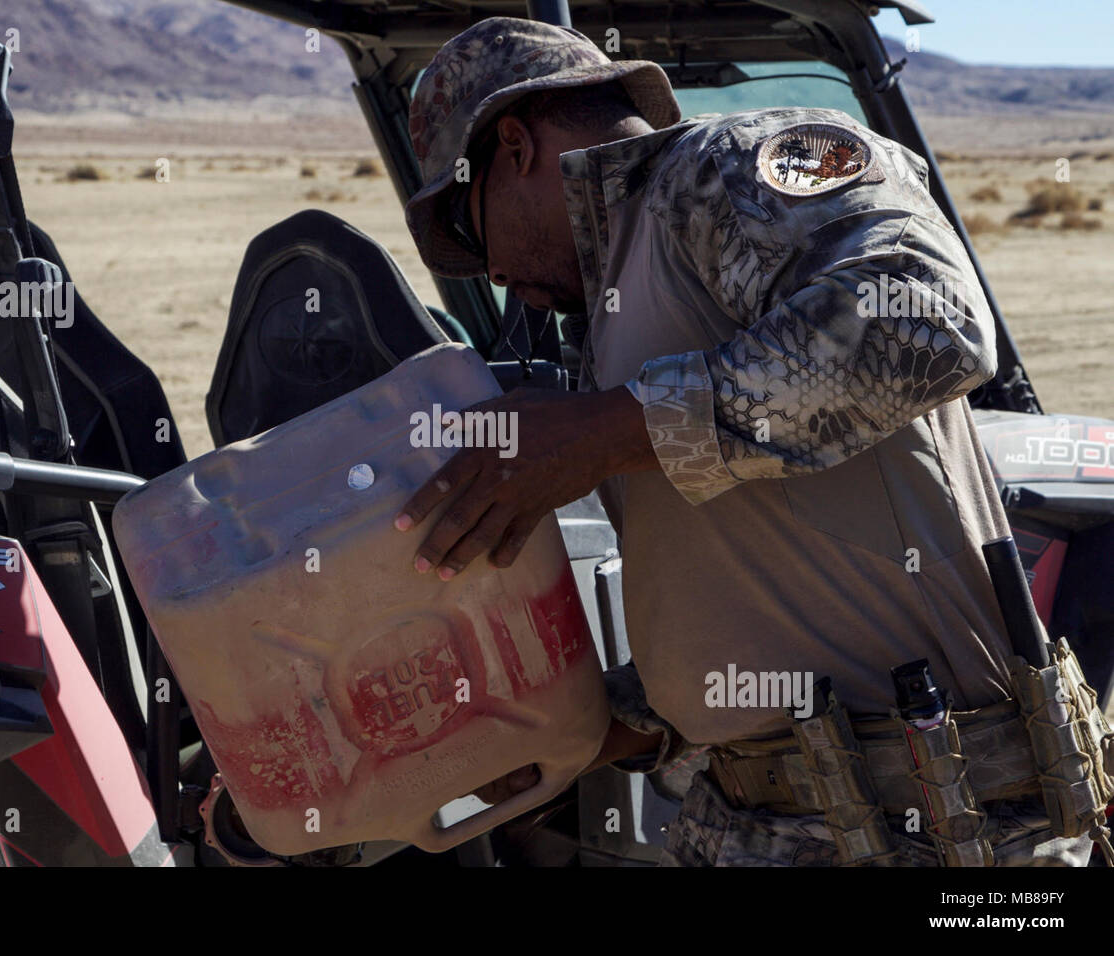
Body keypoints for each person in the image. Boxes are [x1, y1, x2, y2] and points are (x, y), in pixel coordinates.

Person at [393, 16, 1098, 866]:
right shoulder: (616, 311)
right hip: (761, 823)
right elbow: (754, 610)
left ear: (514, 146)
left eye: (471, 235)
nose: (495, 275)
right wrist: (593, 729)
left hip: (941, 827)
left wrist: (611, 429)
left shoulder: (729, 167)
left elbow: (933, 320)